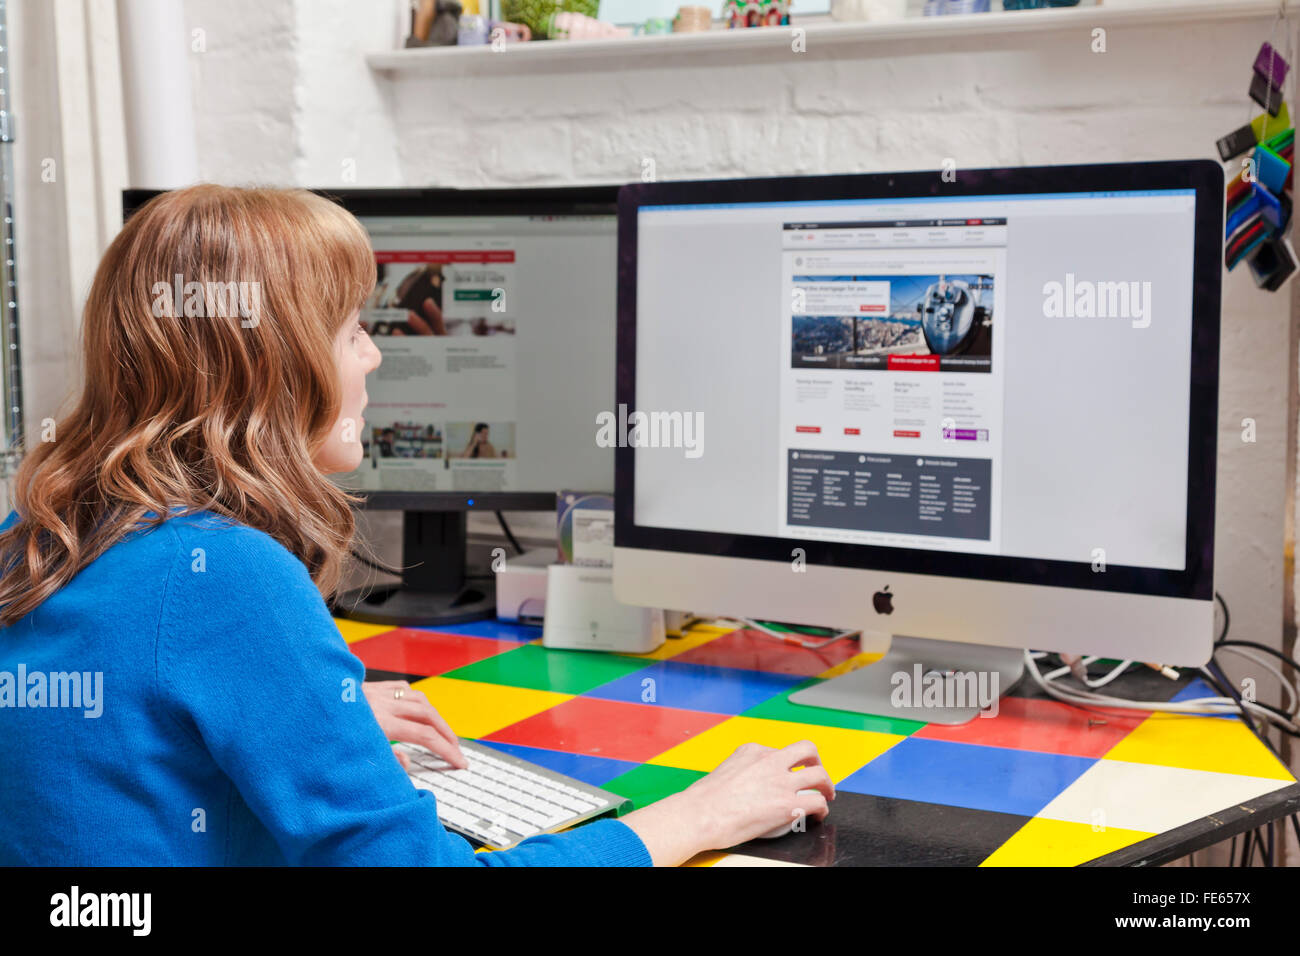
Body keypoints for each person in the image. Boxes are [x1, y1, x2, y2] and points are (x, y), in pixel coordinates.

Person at [0, 184, 833, 866]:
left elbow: (117, 748)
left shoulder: (42, 530)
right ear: (278, 367)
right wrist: (687, 820)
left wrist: (318, 721)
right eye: (353, 330)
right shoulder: (226, 574)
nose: (375, 356)